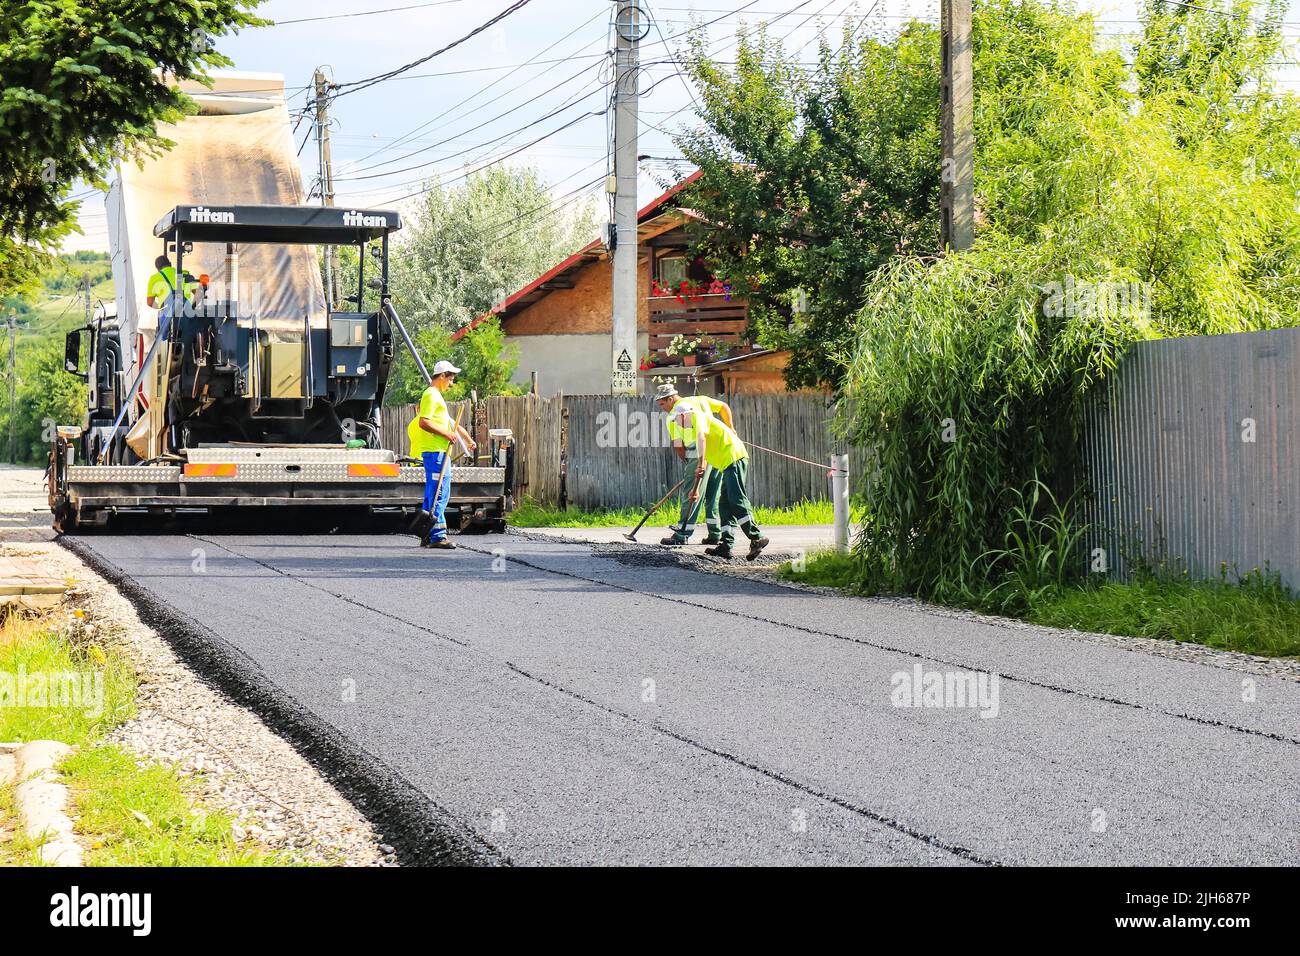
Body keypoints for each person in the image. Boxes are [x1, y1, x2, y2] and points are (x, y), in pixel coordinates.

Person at [655, 383, 768, 560]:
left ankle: (756, 537)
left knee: (736, 499)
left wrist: (699, 465)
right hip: (723, 462)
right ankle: (726, 545)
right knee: (724, 504)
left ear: (684, 415)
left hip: (733, 457)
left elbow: (701, 439)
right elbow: (703, 458)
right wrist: (696, 489)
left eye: (678, 420)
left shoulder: (696, 418)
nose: (677, 423)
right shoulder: (691, 415)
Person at [407, 361, 476, 549]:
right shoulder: (431, 395)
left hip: (438, 453)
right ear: (442, 375)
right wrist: (446, 434)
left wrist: (467, 440)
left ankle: (427, 534)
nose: (451, 384)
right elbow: (424, 422)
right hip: (436, 453)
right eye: (450, 379)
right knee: (440, 494)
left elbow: (452, 424)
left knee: (433, 494)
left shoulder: (436, 397)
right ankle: (437, 536)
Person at [655, 383, 728, 546]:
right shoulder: (700, 400)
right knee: (712, 494)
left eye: (662, 404)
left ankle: (683, 533)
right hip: (716, 450)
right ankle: (715, 533)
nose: (662, 408)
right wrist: (732, 429)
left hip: (697, 453)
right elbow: (724, 407)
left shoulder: (674, 414)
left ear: (670, 398)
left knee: (692, 492)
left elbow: (678, 445)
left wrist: (688, 462)